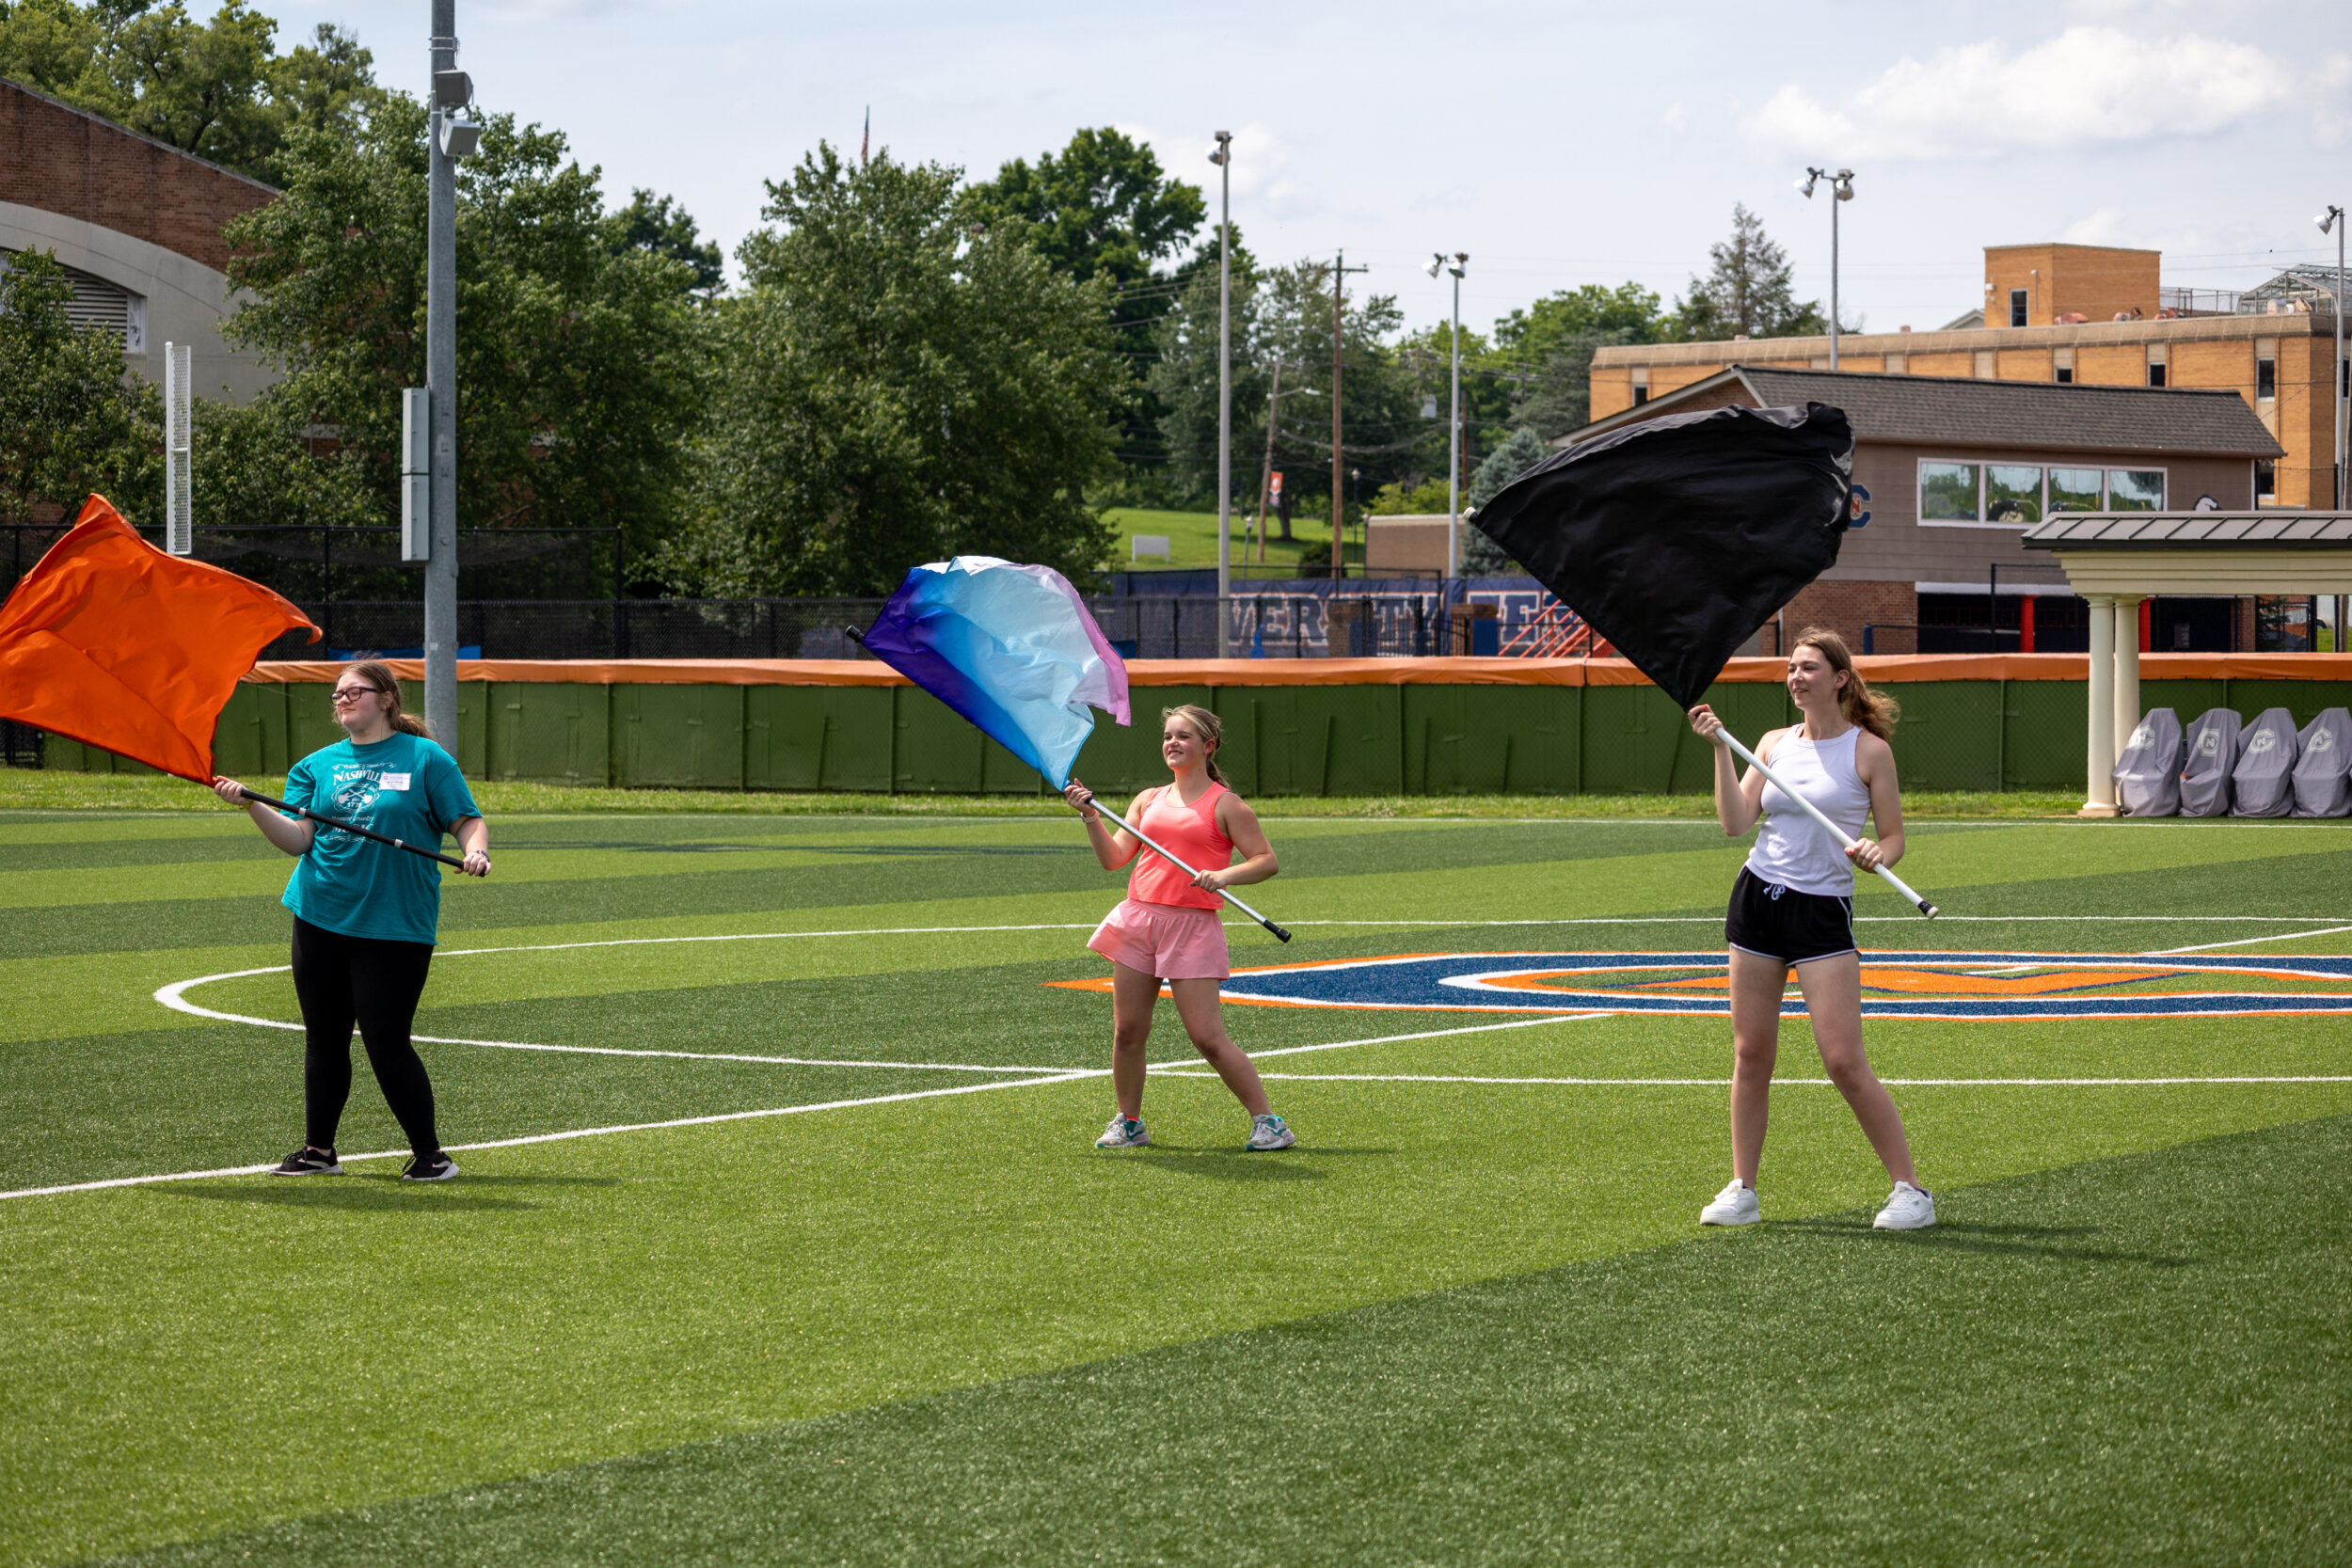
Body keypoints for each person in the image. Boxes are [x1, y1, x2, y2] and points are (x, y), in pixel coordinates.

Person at [1686, 629, 1933, 1231]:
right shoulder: (1770, 744)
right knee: (1750, 1053)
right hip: (1757, 901)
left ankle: (1911, 1192)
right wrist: (1720, 748)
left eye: (1809, 668)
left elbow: (1895, 837)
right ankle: (1743, 1186)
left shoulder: (1868, 751)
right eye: (1791, 668)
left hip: (1821, 909)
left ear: (1840, 677)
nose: (1796, 677)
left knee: (1844, 1059)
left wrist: (1881, 853)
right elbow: (1735, 822)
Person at [212, 660, 489, 1181]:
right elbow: (298, 840)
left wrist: (474, 851)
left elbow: (465, 819)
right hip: (319, 912)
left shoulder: (426, 759)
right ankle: (319, 1151)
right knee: (324, 1036)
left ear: (386, 698)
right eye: (336, 694)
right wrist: (250, 805)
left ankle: (431, 1156)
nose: (341, 700)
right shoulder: (315, 767)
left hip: (394, 920)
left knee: (386, 1038)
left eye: (353, 692)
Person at [1061, 704, 1294, 1152]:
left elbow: (1267, 861)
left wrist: (1223, 877)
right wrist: (1090, 816)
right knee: (1128, 1031)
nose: (1172, 743)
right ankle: (1130, 1121)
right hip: (1139, 918)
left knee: (1207, 1037)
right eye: (1168, 735)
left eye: (1184, 736)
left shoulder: (1226, 805)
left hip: (1192, 926)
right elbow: (1114, 859)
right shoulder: (1148, 799)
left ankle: (1270, 1123)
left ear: (1208, 746)